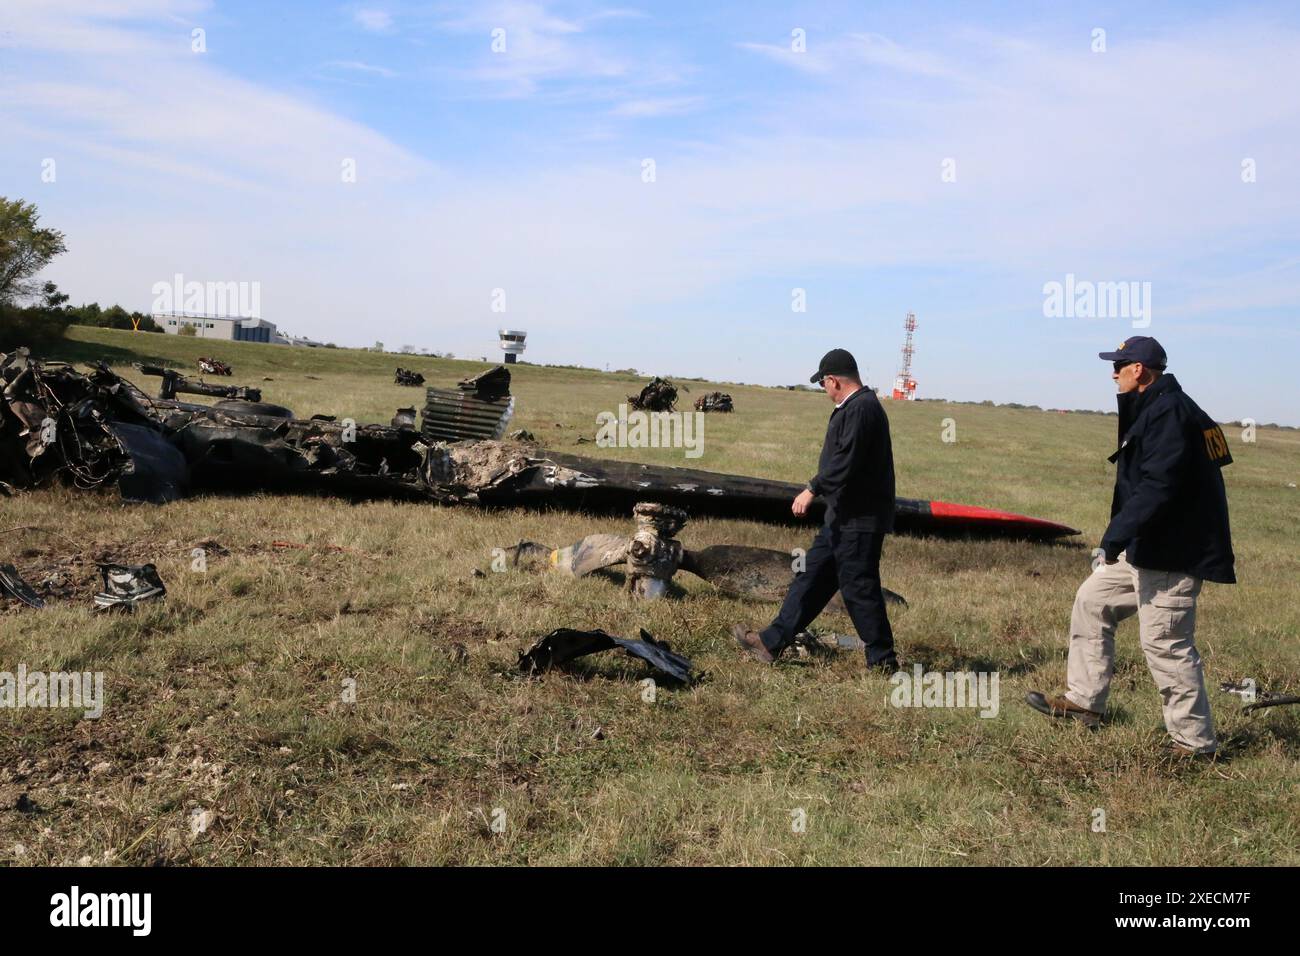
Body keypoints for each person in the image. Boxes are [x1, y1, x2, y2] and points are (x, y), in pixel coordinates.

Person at [1026, 336, 1235, 756]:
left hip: (1175, 552)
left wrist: (1113, 538)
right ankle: (1085, 703)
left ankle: (1195, 744)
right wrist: (1123, 541)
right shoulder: (1160, 407)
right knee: (1092, 600)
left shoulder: (1171, 412)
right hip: (1147, 545)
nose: (1113, 372)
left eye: (1119, 365)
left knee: (1166, 644)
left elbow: (1159, 486)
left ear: (1139, 369)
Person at [733, 348, 899, 671]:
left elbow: (845, 463)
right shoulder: (854, 407)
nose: (824, 390)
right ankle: (770, 642)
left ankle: (883, 661)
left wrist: (811, 489)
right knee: (811, 580)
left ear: (834, 380)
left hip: (859, 520)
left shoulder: (862, 409)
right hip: (841, 517)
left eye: (823, 383)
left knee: (859, 589)